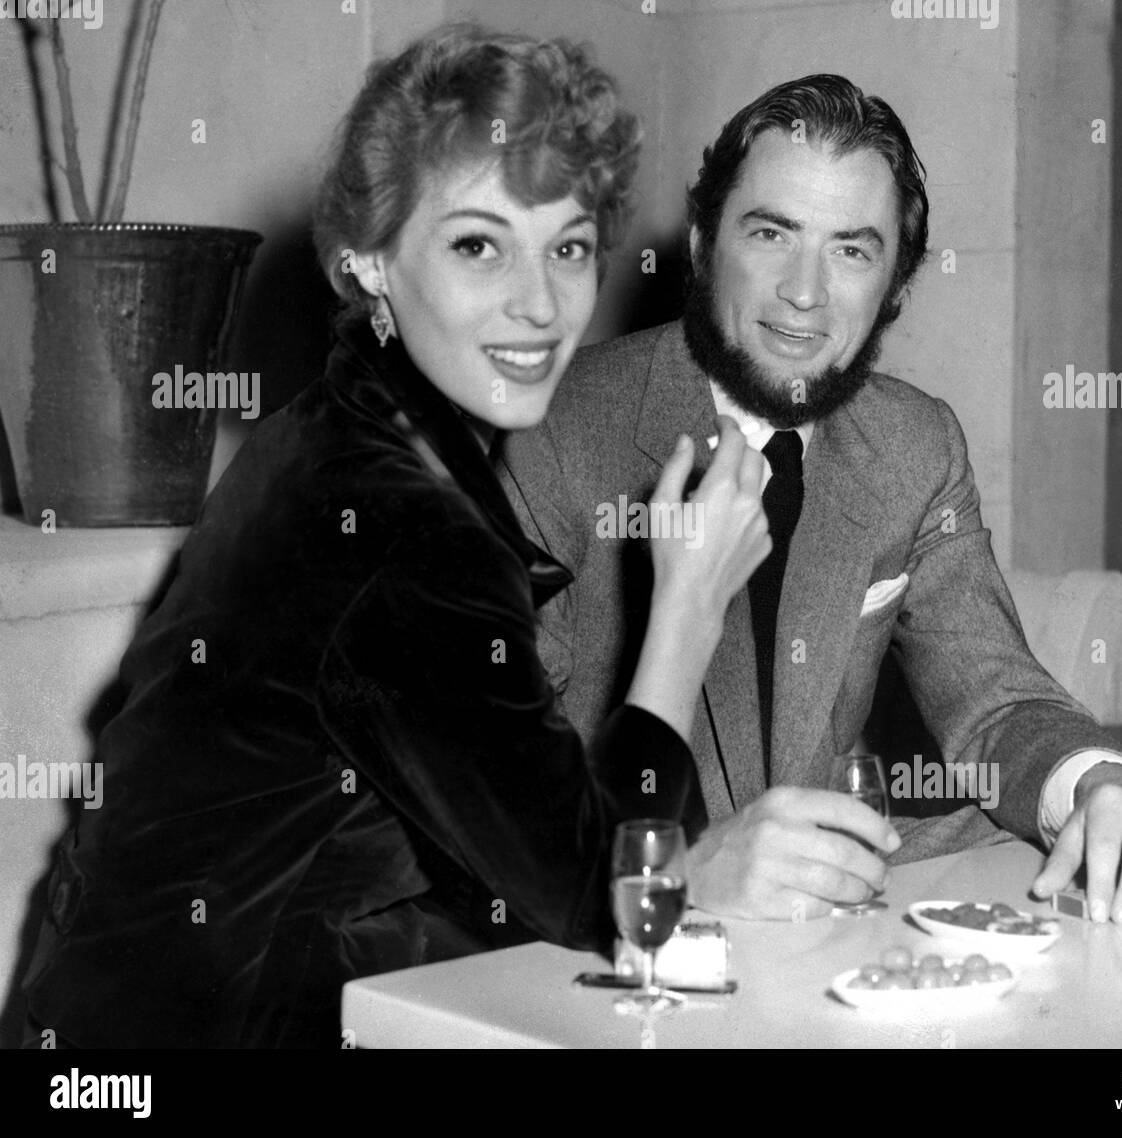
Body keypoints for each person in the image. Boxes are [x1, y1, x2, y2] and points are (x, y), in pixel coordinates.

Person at [20, 24, 769, 1049]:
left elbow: (466, 828)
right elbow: (605, 898)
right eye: (477, 245)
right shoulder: (395, 523)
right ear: (368, 261)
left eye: (569, 247)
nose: (542, 304)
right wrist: (686, 607)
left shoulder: (346, 430)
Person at [501, 74, 1122, 924]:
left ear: (894, 286)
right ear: (700, 241)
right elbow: (479, 792)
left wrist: (1104, 787)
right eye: (771, 233)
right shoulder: (547, 432)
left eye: (851, 250)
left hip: (832, 928)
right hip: (612, 937)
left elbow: (996, 699)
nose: (805, 291)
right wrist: (683, 869)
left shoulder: (915, 446)